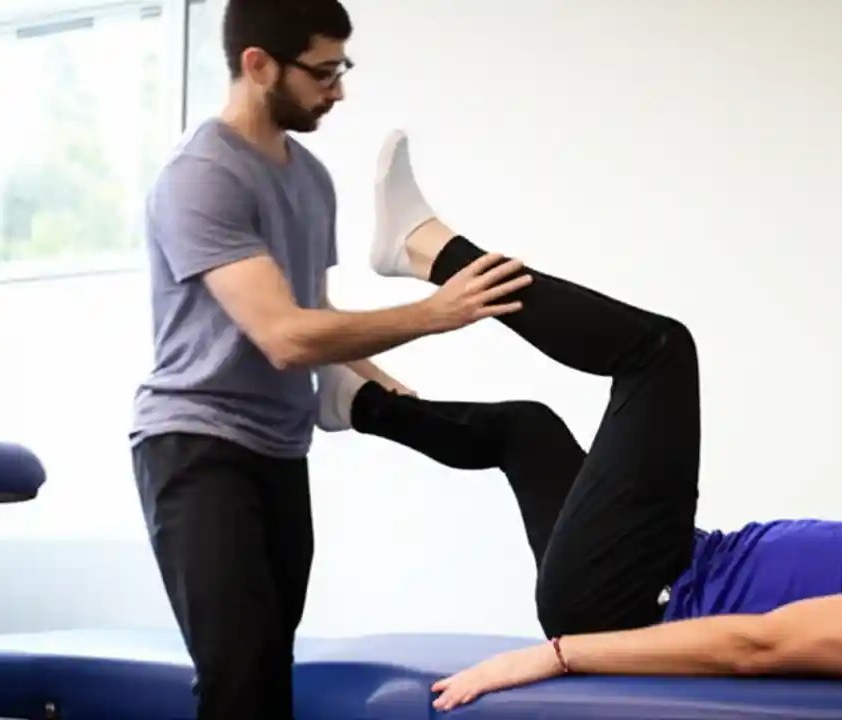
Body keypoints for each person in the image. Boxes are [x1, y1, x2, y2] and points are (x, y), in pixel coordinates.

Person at [324, 128, 842, 712]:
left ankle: (428, 249)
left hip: (636, 595)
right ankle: (352, 403)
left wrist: (555, 655)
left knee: (659, 353)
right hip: (647, 575)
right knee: (527, 431)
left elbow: (756, 645)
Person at [128, 1, 529, 718]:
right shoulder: (202, 176)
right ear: (258, 65)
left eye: (341, 68)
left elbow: (317, 316)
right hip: (197, 443)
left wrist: (380, 386)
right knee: (240, 671)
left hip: (282, 445)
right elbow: (284, 336)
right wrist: (437, 313)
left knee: (268, 672)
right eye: (322, 71)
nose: (338, 90)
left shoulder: (309, 178)